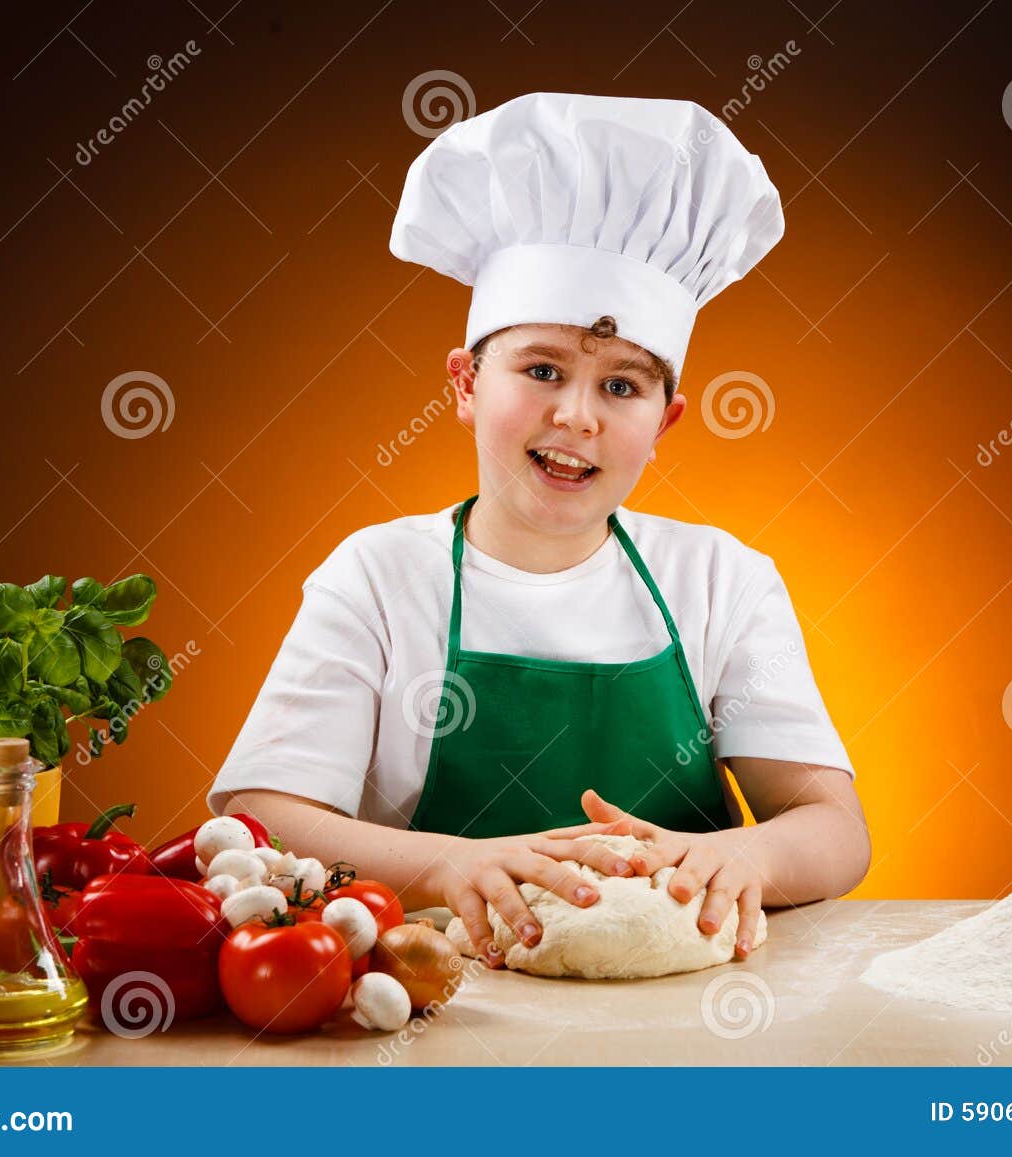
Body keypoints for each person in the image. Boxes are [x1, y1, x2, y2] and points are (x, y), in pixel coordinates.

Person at [208, 92, 870, 968]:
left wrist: (748, 853)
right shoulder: (376, 575)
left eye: (621, 387)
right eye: (542, 368)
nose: (577, 416)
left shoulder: (723, 578)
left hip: (692, 1019)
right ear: (465, 383)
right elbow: (260, 815)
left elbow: (836, 831)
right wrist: (451, 863)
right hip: (437, 999)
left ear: (664, 423)